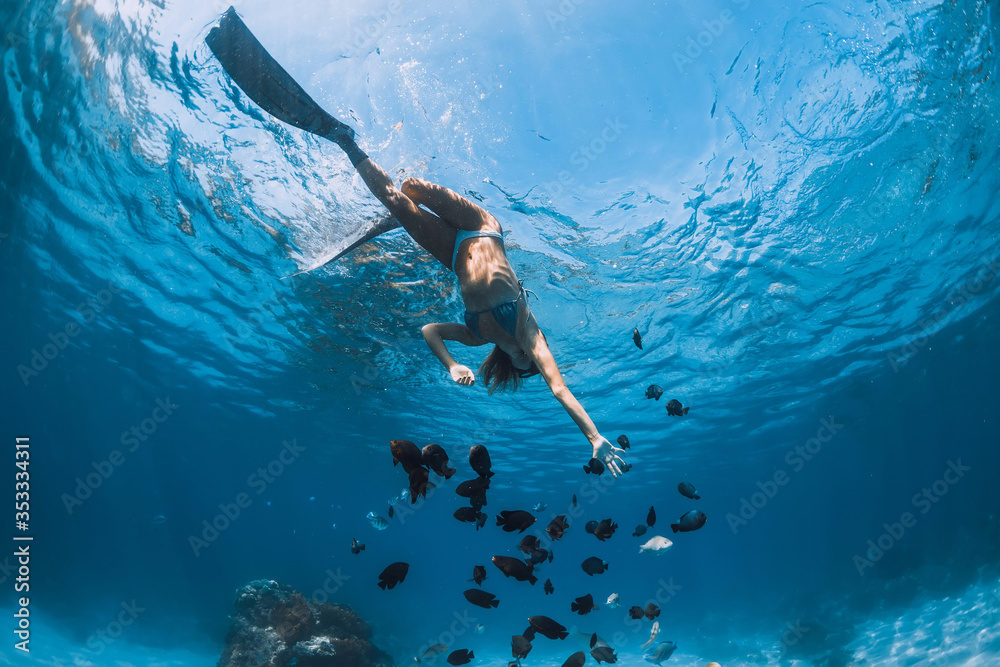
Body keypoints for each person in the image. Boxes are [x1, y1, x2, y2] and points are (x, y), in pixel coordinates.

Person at [330, 125, 627, 476]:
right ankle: (406, 211)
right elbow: (559, 388)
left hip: (453, 253)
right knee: (410, 186)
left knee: (394, 200)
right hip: (483, 228)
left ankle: (344, 140)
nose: (528, 355)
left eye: (523, 361)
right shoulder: (528, 330)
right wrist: (594, 436)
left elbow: (430, 330)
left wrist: (451, 365)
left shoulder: (478, 336)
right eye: (532, 357)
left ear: (509, 360)